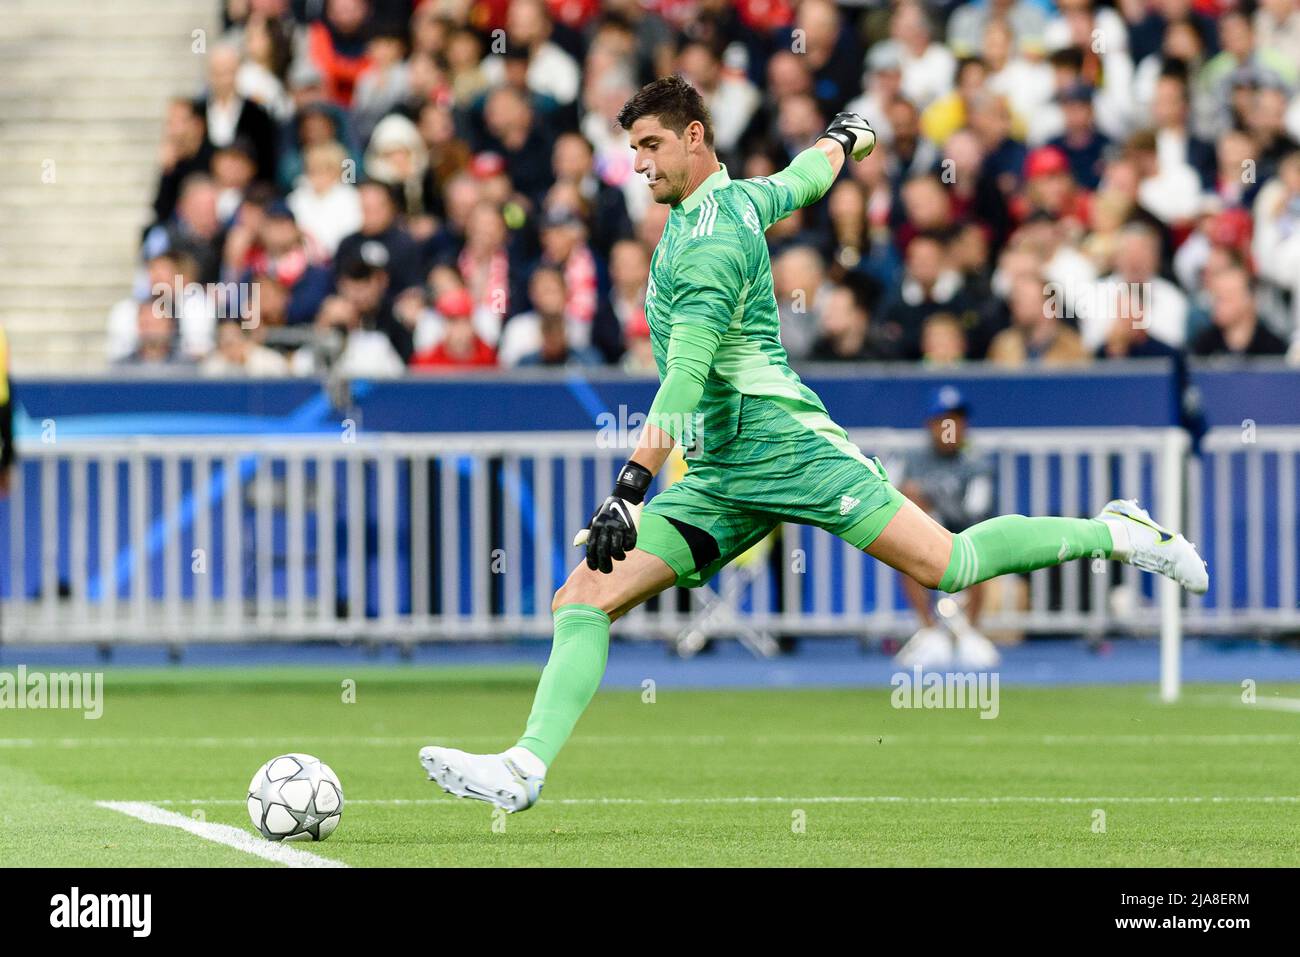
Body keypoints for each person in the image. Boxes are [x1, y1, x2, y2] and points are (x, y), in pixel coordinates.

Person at [417, 76, 1209, 814]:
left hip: (789, 449)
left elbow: (685, 379)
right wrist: (848, 137)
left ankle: (1121, 531)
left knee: (950, 564)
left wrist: (628, 484)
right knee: (581, 596)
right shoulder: (736, 202)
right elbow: (805, 176)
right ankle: (525, 767)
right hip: (725, 472)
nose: (638, 162)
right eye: (633, 149)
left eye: (652, 145)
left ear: (696, 137)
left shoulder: (709, 245)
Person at [891, 387, 998, 668]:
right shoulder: (909, 459)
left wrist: (932, 502)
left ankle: (969, 634)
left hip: (964, 537)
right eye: (944, 421)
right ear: (931, 425)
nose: (951, 428)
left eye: (957, 421)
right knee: (908, 553)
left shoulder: (976, 463)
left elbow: (976, 511)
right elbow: (885, 499)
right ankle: (928, 631)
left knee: (981, 553)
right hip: (920, 539)